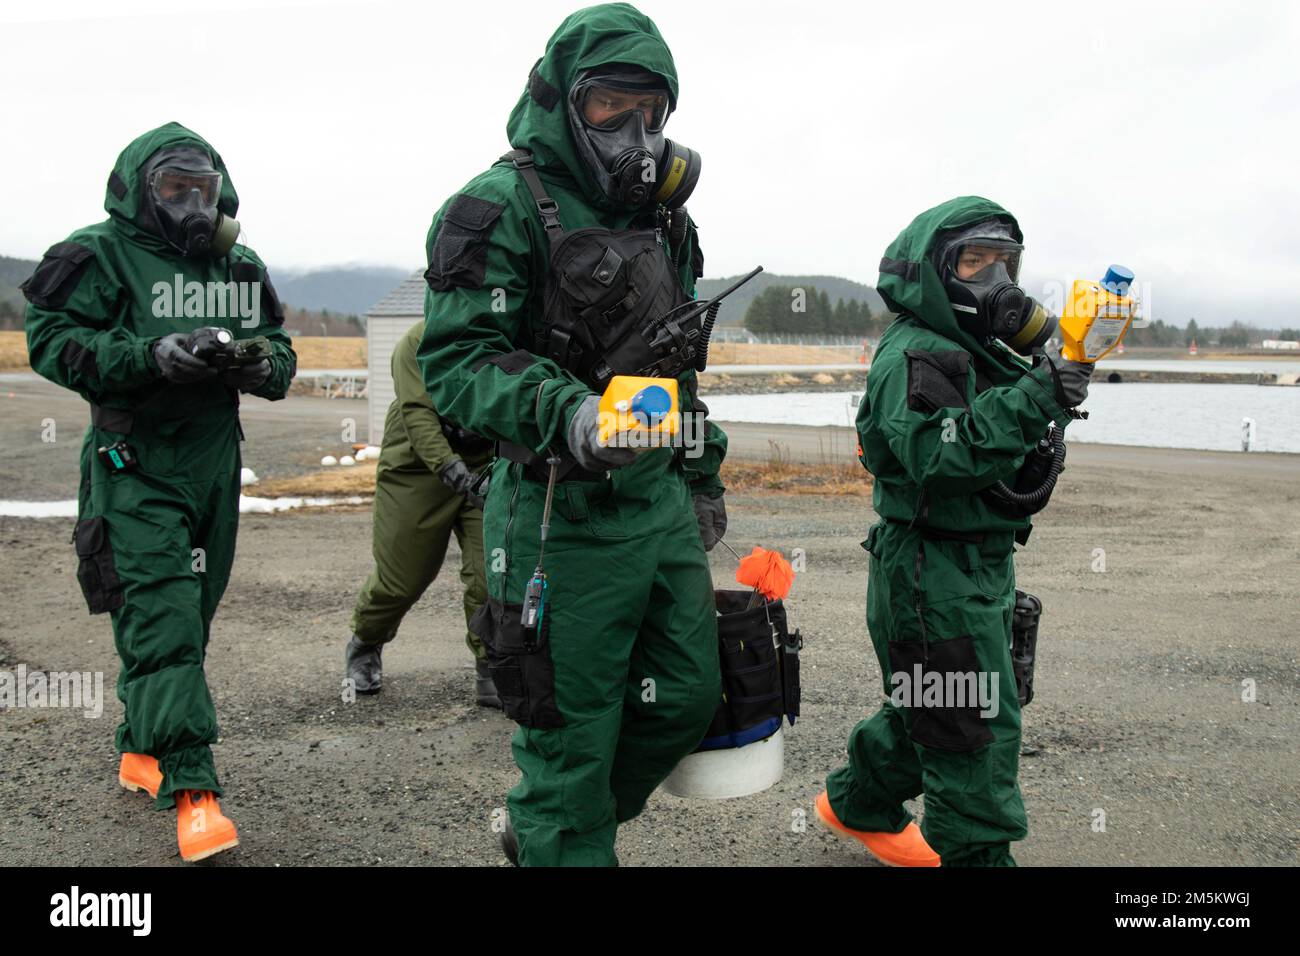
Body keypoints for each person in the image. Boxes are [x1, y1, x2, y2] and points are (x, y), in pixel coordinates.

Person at [417, 2, 728, 866]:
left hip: (657, 501)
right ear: (562, 100)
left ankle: (558, 829)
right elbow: (460, 362)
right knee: (569, 738)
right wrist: (571, 413)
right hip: (558, 514)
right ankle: (562, 826)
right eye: (610, 108)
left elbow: (677, 373)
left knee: (687, 700)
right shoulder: (495, 206)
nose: (636, 132)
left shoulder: (666, 219)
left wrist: (702, 476)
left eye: (653, 114)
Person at [23, 122, 296, 862]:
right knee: (165, 616)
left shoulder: (238, 264)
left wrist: (252, 365)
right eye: (175, 190)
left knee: (188, 620)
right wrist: (149, 355)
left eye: (201, 191)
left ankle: (140, 749)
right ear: (143, 193)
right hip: (132, 460)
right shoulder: (98, 254)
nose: (191, 205)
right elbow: (48, 338)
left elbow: (281, 351)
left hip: (213, 461)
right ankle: (192, 787)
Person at [816, 197, 1093, 867]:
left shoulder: (978, 347)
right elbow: (941, 456)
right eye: (975, 261)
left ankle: (858, 802)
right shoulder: (916, 354)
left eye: (1005, 263)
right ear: (938, 272)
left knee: (937, 705)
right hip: (930, 572)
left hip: (977, 564)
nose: (995, 279)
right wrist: (1042, 393)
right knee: (972, 738)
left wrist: (1049, 379)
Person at [345, 320, 498, 706]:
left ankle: (491, 666)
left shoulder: (503, 332)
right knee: (402, 579)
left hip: (484, 464)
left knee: (492, 573)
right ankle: (366, 641)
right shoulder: (417, 342)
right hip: (418, 467)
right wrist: (450, 468)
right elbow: (417, 414)